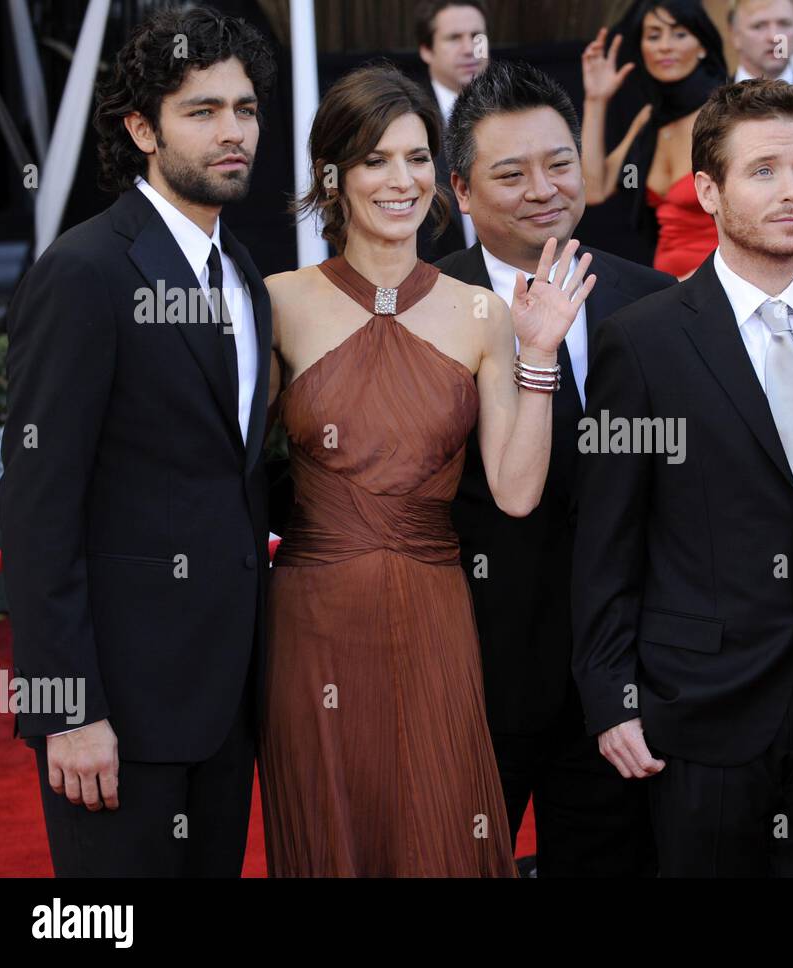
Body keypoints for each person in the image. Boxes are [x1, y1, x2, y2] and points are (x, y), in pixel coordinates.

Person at [571, 79, 793, 877]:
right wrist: (611, 695)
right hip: (698, 711)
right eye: (763, 171)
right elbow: (607, 542)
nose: (792, 191)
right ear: (708, 190)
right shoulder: (645, 341)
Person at [258, 63, 594, 876]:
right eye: (375, 160)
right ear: (333, 177)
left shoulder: (481, 312)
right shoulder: (278, 303)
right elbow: (227, 472)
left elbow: (516, 491)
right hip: (313, 617)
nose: (401, 180)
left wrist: (540, 353)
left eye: (415, 158)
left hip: (437, 612)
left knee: (438, 830)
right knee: (333, 831)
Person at [0, 5, 275, 876]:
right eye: (203, 111)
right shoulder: (84, 271)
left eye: (245, 108)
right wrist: (68, 710)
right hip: (116, 713)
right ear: (141, 129)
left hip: (226, 708)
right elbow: (37, 510)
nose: (233, 132)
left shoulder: (246, 276)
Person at [436, 60, 672, 876]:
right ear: (461, 190)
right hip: (467, 677)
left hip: (619, 683)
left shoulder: (654, 302)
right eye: (511, 174)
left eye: (560, 163)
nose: (543, 189)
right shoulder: (423, 310)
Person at [580, 1, 728, 278]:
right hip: (666, 284)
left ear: (702, 45)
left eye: (679, 34)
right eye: (653, 36)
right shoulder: (650, 119)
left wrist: (698, 285)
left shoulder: (726, 114)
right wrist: (596, 100)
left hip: (720, 283)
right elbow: (594, 189)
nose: (665, 46)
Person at [414, 0, 489, 261]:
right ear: (426, 50)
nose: (469, 49)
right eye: (454, 38)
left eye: (477, 37)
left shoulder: (515, 111)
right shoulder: (408, 119)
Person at [727, 0, 793, 92]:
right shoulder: (717, 99)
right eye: (759, 26)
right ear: (735, 34)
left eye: (784, 24)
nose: (774, 37)